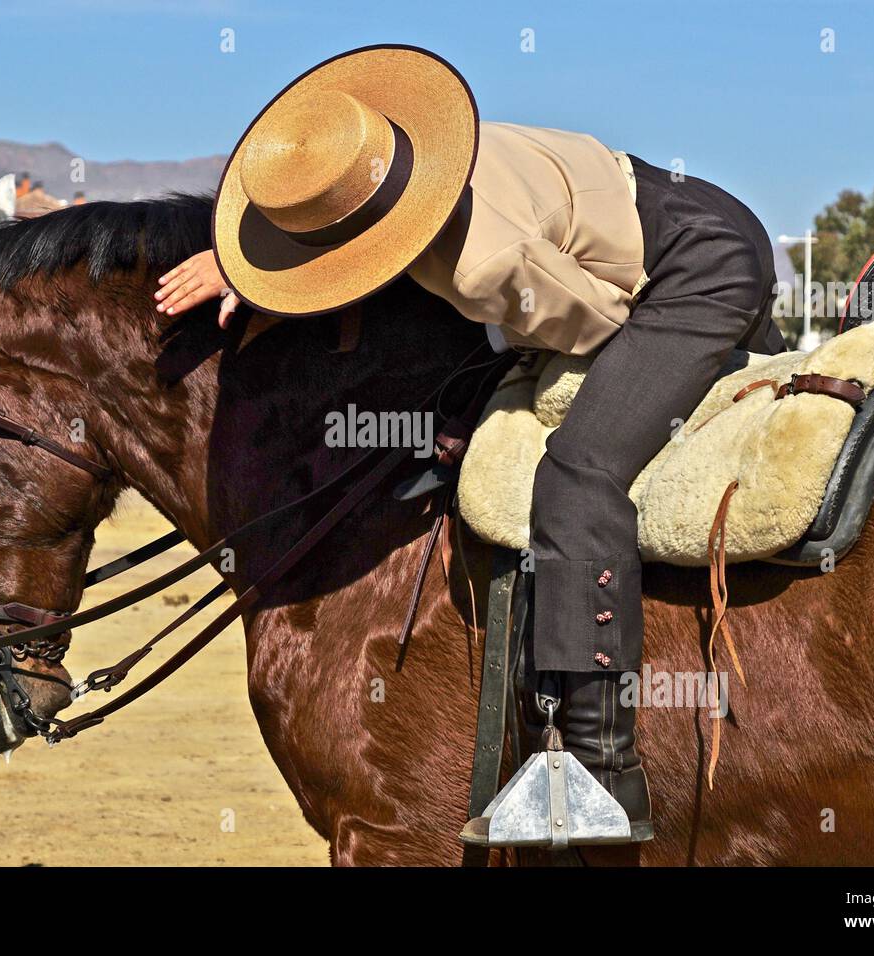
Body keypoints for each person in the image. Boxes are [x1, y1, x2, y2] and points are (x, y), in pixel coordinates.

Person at [152, 45, 785, 845]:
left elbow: (598, 328)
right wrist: (245, 264)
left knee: (578, 472)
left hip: (691, 270)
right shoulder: (408, 151)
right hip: (650, 213)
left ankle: (598, 773)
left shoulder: (485, 261)